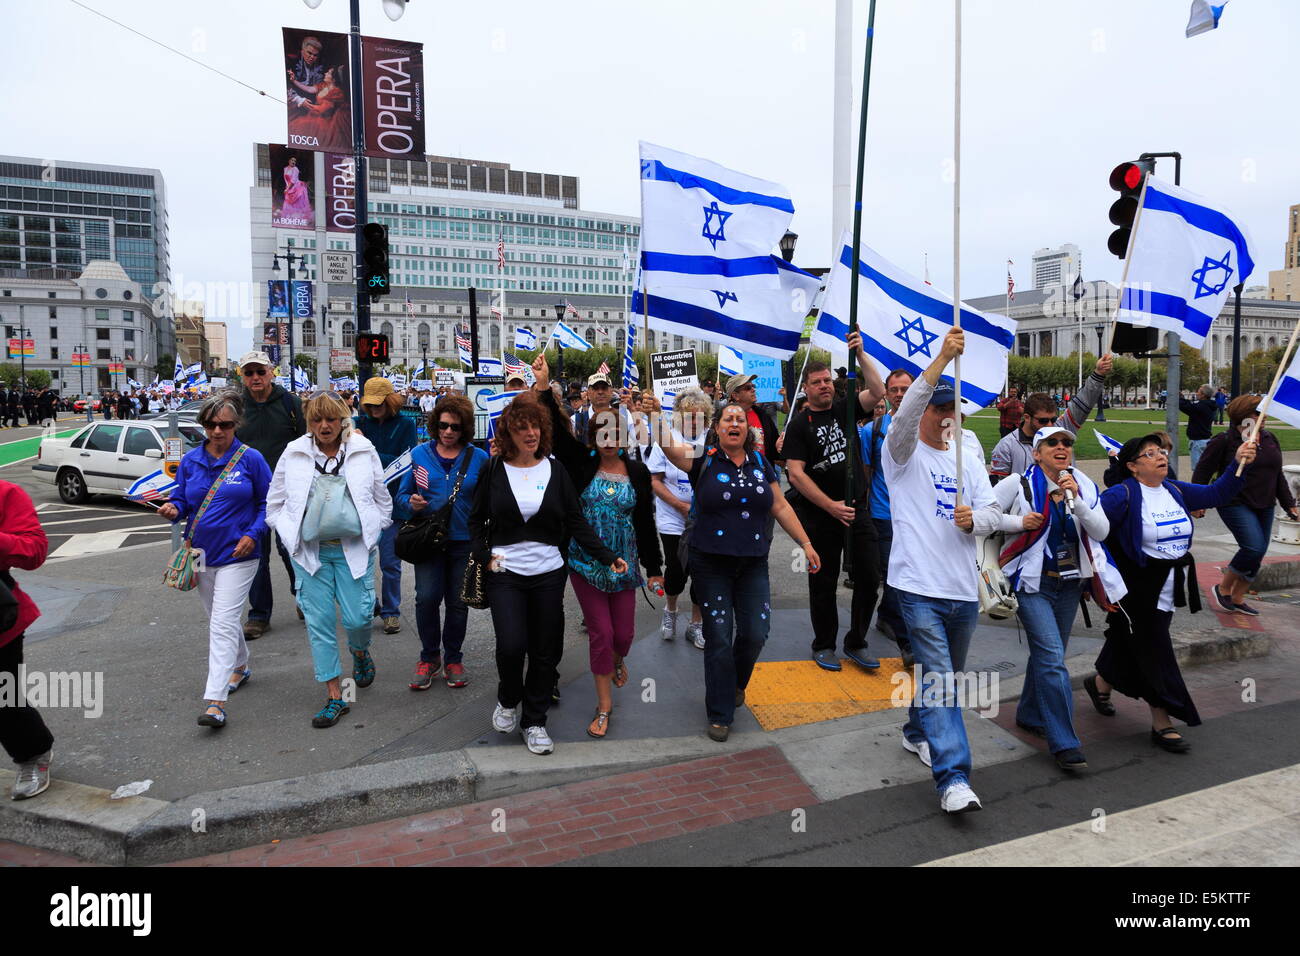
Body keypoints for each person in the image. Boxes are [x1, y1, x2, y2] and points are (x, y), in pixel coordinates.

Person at [883, 328, 1002, 814]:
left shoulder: (969, 459)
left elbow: (995, 514)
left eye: (953, 410)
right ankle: (953, 778)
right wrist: (939, 359)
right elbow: (907, 409)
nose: (947, 416)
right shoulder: (902, 454)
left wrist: (979, 519)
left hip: (962, 590)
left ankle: (916, 731)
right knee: (942, 680)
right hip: (917, 587)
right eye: (939, 407)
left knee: (940, 676)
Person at [469, 392, 623, 755]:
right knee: (511, 645)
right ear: (509, 433)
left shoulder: (555, 470)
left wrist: (606, 556)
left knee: (543, 650)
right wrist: (484, 555)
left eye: (535, 426)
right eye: (522, 428)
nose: (530, 433)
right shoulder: (492, 469)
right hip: (505, 570)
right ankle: (508, 697)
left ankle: (534, 720)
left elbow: (575, 521)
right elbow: (475, 520)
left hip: (548, 572)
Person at [658, 401, 821, 742]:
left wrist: (805, 543)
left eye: (740, 419)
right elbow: (668, 447)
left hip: (753, 564)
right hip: (710, 564)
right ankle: (720, 712)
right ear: (716, 427)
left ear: (747, 429)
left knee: (755, 633)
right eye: (728, 419)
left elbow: (780, 505)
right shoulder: (702, 460)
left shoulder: (760, 462)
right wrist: (651, 415)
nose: (735, 423)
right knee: (719, 637)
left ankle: (734, 684)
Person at [1085, 433, 1257, 753]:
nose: (1161, 456)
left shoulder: (1175, 490)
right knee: (1155, 649)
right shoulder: (1120, 496)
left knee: (1130, 639)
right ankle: (1162, 720)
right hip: (1134, 587)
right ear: (1133, 467)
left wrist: (1240, 462)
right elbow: (1092, 535)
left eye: (1161, 451)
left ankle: (1099, 683)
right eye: (1149, 454)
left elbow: (1219, 493)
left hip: (1168, 583)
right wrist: (1094, 583)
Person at [993, 426, 1118, 771]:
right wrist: (1019, 521)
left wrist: (1077, 504)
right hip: (1032, 584)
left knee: (1050, 655)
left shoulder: (1082, 484)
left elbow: (1102, 531)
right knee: (1052, 659)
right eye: (1052, 443)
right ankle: (1064, 741)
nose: (1061, 448)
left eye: (1066, 443)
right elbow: (983, 517)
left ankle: (1030, 713)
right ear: (1037, 452)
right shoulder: (1017, 484)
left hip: (1070, 584)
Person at [266, 391, 391, 728]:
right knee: (319, 625)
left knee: (358, 619)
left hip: (353, 550)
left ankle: (361, 651)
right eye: (317, 420)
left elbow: (382, 498)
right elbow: (274, 503)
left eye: (331, 419)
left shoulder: (363, 451)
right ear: (309, 422)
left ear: (342, 420)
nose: (324, 426)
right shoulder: (294, 454)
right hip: (310, 555)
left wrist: (375, 530)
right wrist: (287, 530)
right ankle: (336, 696)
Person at [157, 392, 272, 729]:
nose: (217, 431)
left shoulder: (251, 460)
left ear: (236, 425)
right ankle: (240, 666)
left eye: (224, 425)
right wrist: (172, 509)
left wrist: (253, 534)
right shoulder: (191, 461)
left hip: (240, 554)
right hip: (201, 555)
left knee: (222, 622)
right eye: (210, 424)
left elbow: (269, 503)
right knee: (219, 620)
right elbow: (181, 499)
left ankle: (215, 702)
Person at [781, 332, 886, 672]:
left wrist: (861, 356)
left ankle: (856, 641)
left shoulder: (845, 408)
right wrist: (829, 505)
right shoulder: (799, 425)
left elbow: (879, 390)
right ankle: (823, 644)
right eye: (817, 382)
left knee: (870, 578)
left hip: (857, 509)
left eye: (827, 380)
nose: (825, 386)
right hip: (821, 516)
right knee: (823, 582)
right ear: (807, 389)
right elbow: (795, 474)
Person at [395, 395, 488, 690]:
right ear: (435, 425)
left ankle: (453, 658)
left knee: (458, 603)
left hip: (464, 542)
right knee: (427, 598)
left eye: (456, 428)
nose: (449, 432)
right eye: (444, 425)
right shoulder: (419, 455)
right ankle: (429, 656)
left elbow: (489, 502)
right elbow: (399, 496)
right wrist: (411, 503)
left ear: (465, 430)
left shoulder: (479, 458)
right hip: (428, 541)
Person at [1193, 396, 1299, 615]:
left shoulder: (1270, 439)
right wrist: (1197, 501)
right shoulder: (1224, 440)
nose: (1264, 417)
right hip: (1234, 501)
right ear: (1244, 415)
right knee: (1253, 546)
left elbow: (1276, 475)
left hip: (1265, 503)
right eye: (1258, 413)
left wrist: (1290, 505)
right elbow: (1202, 472)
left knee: (1257, 553)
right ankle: (1223, 588)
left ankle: (1238, 596)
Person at [234, 350, 306, 640]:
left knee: (291, 549)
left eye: (260, 372)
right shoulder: (236, 407)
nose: (255, 378)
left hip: (287, 491)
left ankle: (303, 597)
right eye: (249, 373)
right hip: (248, 495)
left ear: (271, 373)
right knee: (256, 553)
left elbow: (305, 443)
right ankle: (259, 614)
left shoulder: (291, 403)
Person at [645, 386, 711, 649]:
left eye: (698, 416)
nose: (693, 421)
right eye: (688, 416)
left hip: (705, 519)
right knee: (676, 569)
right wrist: (680, 505)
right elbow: (655, 480)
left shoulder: (712, 440)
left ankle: (696, 623)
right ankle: (670, 610)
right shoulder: (667, 439)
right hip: (673, 517)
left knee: (701, 571)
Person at [858, 369, 915, 664]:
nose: (900, 394)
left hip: (915, 516)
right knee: (895, 575)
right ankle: (908, 643)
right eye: (894, 389)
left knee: (903, 575)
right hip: (883, 514)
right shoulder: (874, 430)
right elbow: (867, 475)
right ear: (887, 393)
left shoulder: (923, 427)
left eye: (906, 389)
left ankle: (886, 616)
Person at [354, 377, 417, 635]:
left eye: (379, 403)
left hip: (392, 504)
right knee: (359, 562)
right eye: (370, 404)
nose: (374, 408)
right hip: (362, 502)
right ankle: (372, 604)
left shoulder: (406, 424)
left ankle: (391, 612)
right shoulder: (358, 423)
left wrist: (367, 449)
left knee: (390, 563)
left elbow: (406, 462)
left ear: (390, 401)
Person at [0, 480, 51, 799]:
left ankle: (33, 754)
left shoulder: (6, 494)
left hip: (0, 620)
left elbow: (34, 550)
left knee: (3, 698)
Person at [989, 354, 1113, 482]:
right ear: (1027, 417)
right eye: (1043, 421)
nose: (1049, 425)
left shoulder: (1062, 427)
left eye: (1053, 420)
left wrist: (1099, 374)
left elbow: (1084, 401)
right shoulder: (1006, 446)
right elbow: (997, 489)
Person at [723, 372, 783, 466]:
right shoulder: (724, 419)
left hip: (763, 475)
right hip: (736, 474)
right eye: (748, 388)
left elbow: (775, 452)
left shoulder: (763, 416)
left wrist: (778, 447)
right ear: (735, 396)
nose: (753, 390)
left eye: (753, 386)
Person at [1180, 384, 1217, 472]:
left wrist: (1179, 398)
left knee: (1198, 470)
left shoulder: (1202, 406)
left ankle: (1199, 485)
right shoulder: (1208, 405)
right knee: (1203, 469)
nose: (1196, 393)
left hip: (1198, 442)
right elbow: (1190, 406)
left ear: (1203, 394)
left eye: (1198, 391)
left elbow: (1186, 407)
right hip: (1204, 440)